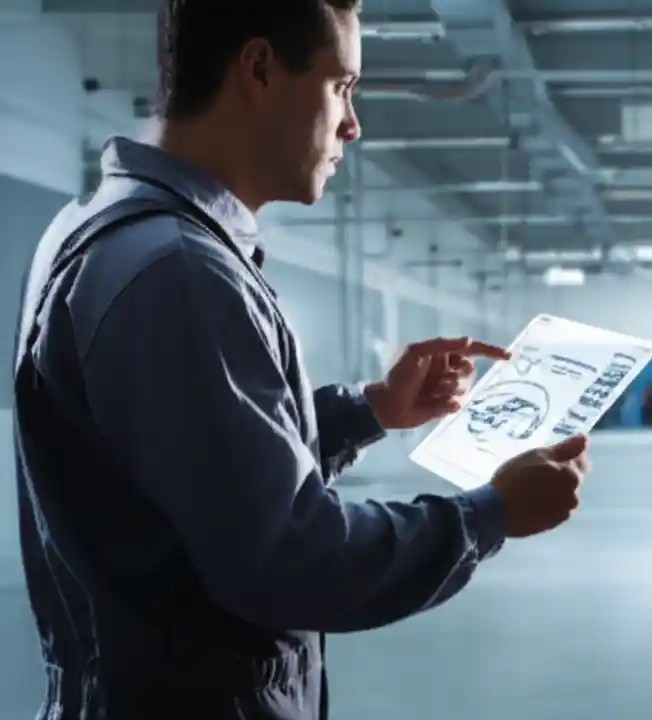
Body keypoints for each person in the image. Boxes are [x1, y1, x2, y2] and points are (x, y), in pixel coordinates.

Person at [10, 1, 589, 717]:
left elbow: (203, 466)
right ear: (259, 69)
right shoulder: (178, 271)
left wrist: (372, 409)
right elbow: (291, 560)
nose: (353, 123)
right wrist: (487, 516)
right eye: (341, 85)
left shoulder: (107, 231)